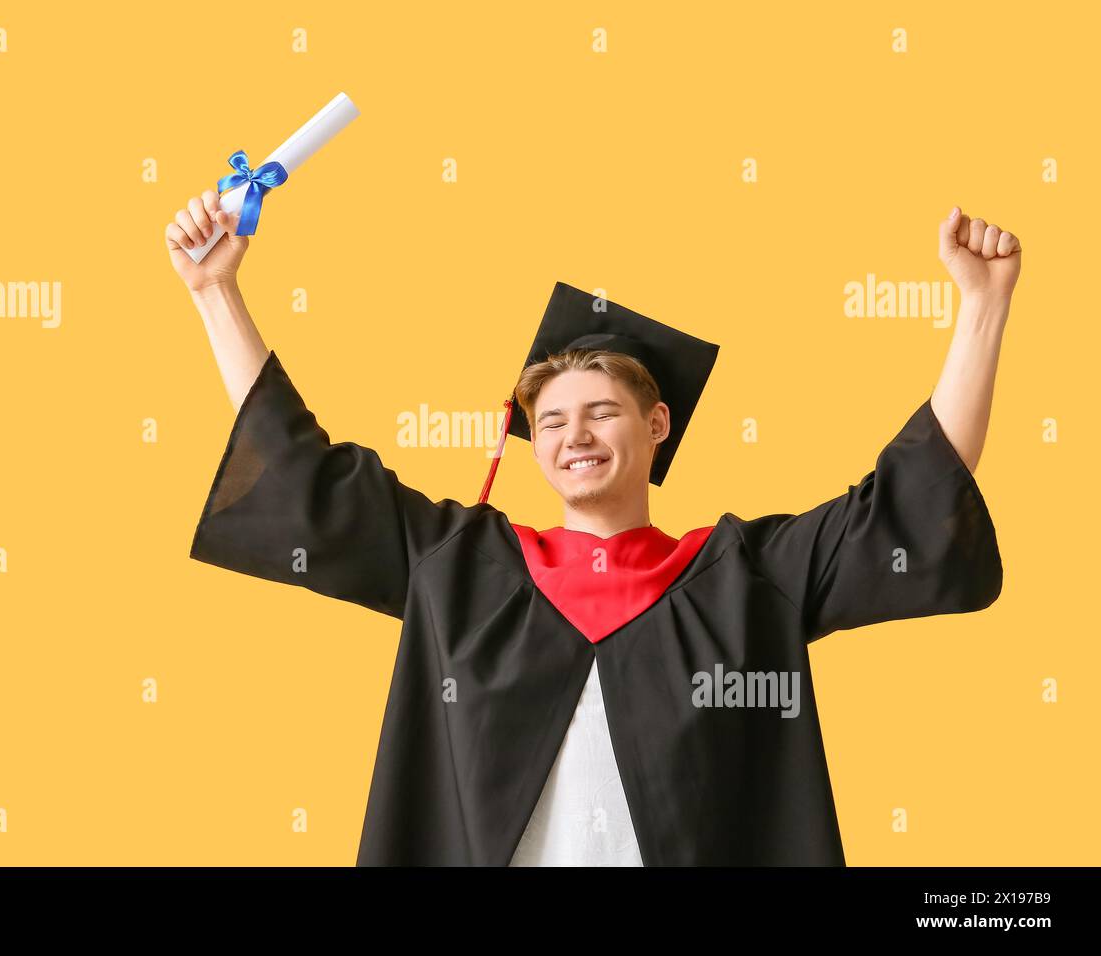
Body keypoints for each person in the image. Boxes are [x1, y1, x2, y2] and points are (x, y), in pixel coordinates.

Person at [167, 195, 1016, 865]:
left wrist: (982, 310)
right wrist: (216, 291)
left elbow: (909, 501)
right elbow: (304, 477)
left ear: (655, 428)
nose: (573, 435)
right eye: (551, 421)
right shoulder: (461, 571)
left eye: (602, 411)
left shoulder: (744, 577)